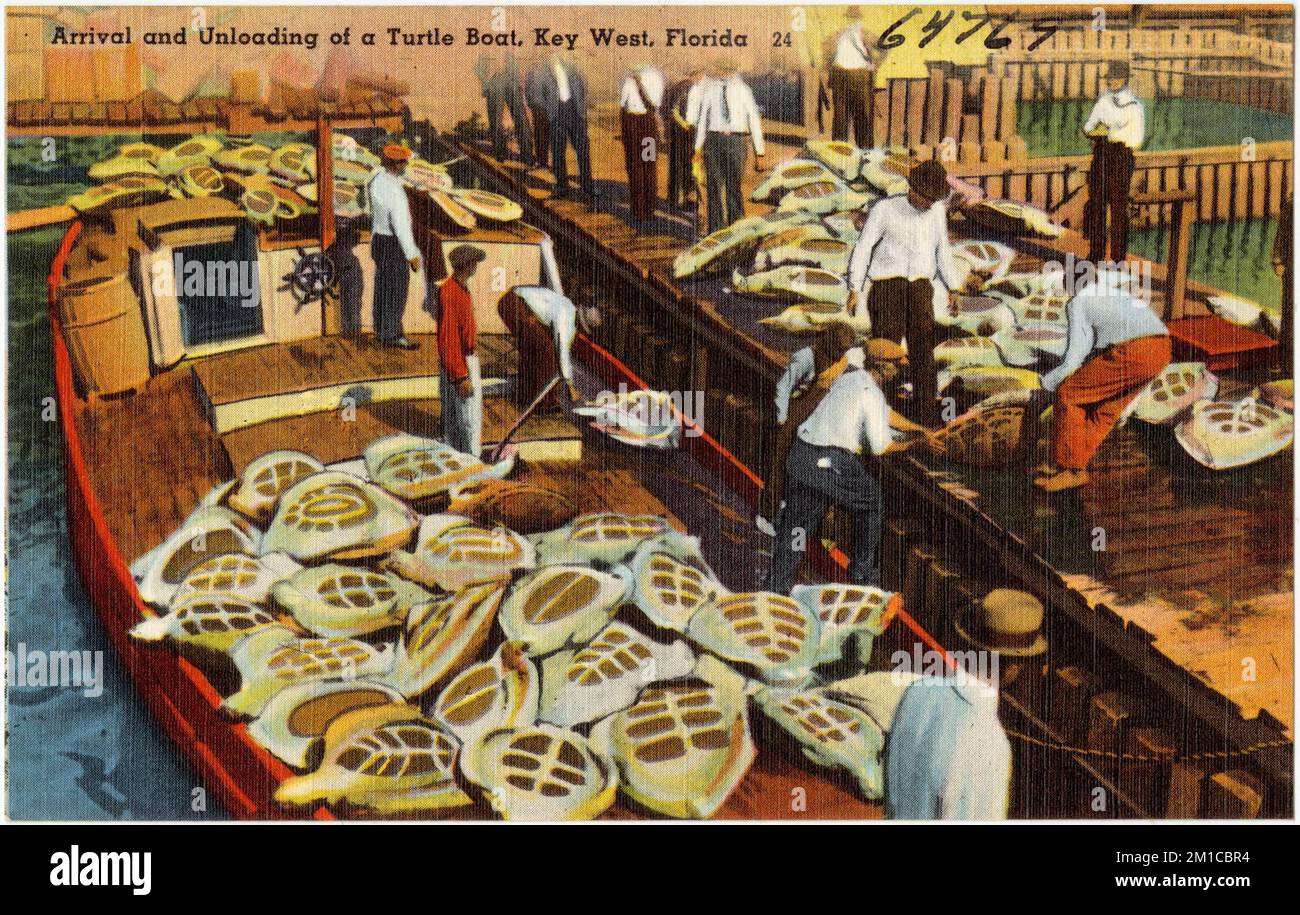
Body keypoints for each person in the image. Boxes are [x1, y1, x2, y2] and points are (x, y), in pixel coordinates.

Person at [766, 344, 927, 595]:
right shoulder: (871, 393)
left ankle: (775, 588)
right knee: (870, 501)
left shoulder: (849, 378)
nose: (898, 371)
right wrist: (917, 442)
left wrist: (920, 430)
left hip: (801, 455)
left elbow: (886, 414)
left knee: (797, 529)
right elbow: (880, 448)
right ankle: (860, 577)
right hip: (829, 462)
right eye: (896, 365)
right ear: (884, 367)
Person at [846, 159, 969, 426]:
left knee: (923, 350)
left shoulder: (936, 212)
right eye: (925, 197)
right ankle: (879, 413)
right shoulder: (885, 209)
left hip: (920, 288)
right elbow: (864, 247)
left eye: (933, 199)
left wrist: (954, 287)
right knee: (886, 353)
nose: (928, 203)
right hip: (888, 287)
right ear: (912, 188)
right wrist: (854, 286)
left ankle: (926, 414)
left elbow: (943, 251)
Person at [1035, 265, 1172, 492]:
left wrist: (1046, 383)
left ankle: (1069, 468)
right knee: (1105, 409)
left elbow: (1074, 357)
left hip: (1134, 351)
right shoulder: (1114, 293)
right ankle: (1073, 464)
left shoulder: (1077, 302)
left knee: (1069, 395)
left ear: (1070, 285)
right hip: (1162, 349)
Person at [1082, 60, 1144, 264]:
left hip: (1122, 156)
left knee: (1118, 209)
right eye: (1110, 78)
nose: (1112, 81)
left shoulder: (1134, 106)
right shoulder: (1103, 101)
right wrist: (1100, 133)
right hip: (1101, 154)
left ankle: (1118, 258)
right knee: (1097, 205)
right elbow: (1088, 127)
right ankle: (1096, 254)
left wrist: (1110, 132)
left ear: (1125, 80)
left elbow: (1137, 139)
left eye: (1116, 78)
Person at [692, 61, 765, 233]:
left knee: (734, 187)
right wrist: (697, 148)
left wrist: (759, 152)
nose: (723, 73)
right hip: (713, 141)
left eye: (726, 69)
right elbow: (703, 119)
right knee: (714, 188)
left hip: (736, 142)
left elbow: (754, 119)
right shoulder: (710, 89)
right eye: (720, 69)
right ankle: (715, 231)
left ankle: (737, 230)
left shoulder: (744, 90)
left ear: (733, 70)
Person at [368, 143, 422, 349]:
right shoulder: (393, 190)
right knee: (397, 289)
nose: (406, 165)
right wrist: (412, 255)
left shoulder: (378, 179)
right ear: (394, 164)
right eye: (403, 162)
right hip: (393, 244)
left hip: (379, 240)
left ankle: (382, 330)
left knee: (382, 287)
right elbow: (400, 225)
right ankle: (392, 336)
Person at [497, 284, 582, 413]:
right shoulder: (567, 317)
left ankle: (523, 396)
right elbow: (562, 350)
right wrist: (569, 383)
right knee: (547, 352)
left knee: (530, 352)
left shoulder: (565, 304)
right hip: (516, 305)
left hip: (508, 302)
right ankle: (545, 403)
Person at [437, 246, 488, 455]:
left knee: (454, 418)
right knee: (469, 419)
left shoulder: (458, 288)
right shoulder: (450, 292)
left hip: (454, 361)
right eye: (474, 262)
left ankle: (457, 457)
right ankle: (472, 462)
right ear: (466, 265)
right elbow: (448, 337)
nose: (476, 266)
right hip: (460, 362)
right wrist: (460, 376)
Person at [535, 53, 594, 201]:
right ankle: (562, 187)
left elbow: (583, 84)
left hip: (574, 112)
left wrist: (581, 105)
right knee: (557, 153)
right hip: (557, 115)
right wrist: (549, 110)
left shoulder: (571, 67)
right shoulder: (542, 72)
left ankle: (587, 186)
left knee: (582, 150)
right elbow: (536, 95)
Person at [620, 64, 665, 224]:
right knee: (649, 164)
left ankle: (638, 211)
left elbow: (623, 103)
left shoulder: (630, 79)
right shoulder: (658, 77)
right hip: (649, 124)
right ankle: (650, 209)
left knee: (635, 165)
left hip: (633, 124)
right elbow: (657, 104)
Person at [828, 7, 877, 147]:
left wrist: (874, 65)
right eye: (850, 18)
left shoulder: (866, 34)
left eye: (854, 18)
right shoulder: (839, 34)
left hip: (859, 76)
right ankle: (838, 152)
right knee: (840, 118)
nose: (852, 21)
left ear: (859, 20)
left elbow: (883, 49)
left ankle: (865, 153)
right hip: (840, 74)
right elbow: (828, 54)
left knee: (863, 116)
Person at [476, 52, 534, 165]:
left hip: (511, 79)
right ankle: (500, 152)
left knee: (520, 118)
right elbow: (479, 64)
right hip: (494, 81)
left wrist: (518, 79)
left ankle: (527, 154)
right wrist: (486, 82)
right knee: (496, 120)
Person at [663, 67, 703, 211]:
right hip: (685, 131)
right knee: (686, 165)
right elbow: (674, 110)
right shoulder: (688, 87)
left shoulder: (678, 86)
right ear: (697, 74)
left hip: (678, 131)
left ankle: (675, 199)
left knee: (678, 164)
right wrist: (685, 125)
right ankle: (684, 199)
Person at [327, 213, 363, 336]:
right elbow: (356, 237)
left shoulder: (331, 248)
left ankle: (348, 329)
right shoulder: (346, 240)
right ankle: (354, 330)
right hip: (350, 269)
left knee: (347, 300)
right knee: (353, 301)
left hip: (342, 270)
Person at [524, 55, 551, 169]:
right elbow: (527, 89)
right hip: (538, 108)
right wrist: (530, 103)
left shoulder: (549, 74)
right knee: (540, 135)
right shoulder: (532, 73)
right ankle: (541, 161)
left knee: (545, 135)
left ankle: (543, 162)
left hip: (546, 108)